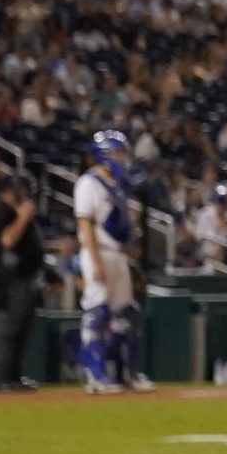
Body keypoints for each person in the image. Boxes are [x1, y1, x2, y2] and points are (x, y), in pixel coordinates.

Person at [73, 129, 147, 392]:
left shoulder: (117, 185)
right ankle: (95, 375)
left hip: (116, 254)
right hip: (99, 253)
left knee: (126, 315)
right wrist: (96, 262)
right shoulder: (88, 183)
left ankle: (125, 373)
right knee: (98, 313)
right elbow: (86, 225)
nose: (121, 158)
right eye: (117, 153)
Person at [0, 174, 42, 393]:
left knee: (22, 329)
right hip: (8, 281)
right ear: (7, 191)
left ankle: (14, 377)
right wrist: (23, 217)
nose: (24, 195)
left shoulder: (12, 211)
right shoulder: (0, 210)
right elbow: (7, 241)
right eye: (19, 190)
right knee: (5, 330)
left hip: (24, 278)